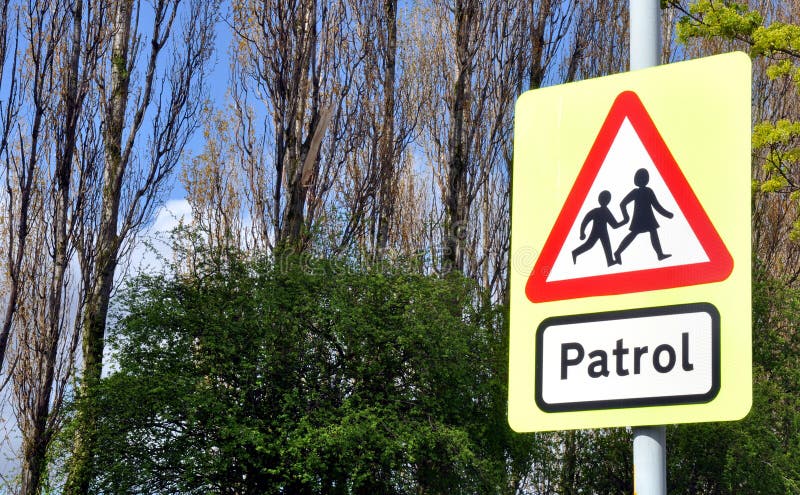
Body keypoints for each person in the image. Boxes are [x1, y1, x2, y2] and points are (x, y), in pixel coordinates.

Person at [614, 168, 673, 264]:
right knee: (637, 234)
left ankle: (659, 254)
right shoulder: (644, 191)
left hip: (646, 218)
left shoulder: (640, 191)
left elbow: (656, 205)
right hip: (642, 218)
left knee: (651, 233)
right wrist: (667, 214)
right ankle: (618, 252)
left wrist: (626, 217)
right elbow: (657, 206)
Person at [572, 190, 626, 266]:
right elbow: (586, 220)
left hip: (603, 232)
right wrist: (582, 232)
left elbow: (614, 225)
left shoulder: (603, 211)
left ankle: (610, 261)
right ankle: (575, 252)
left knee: (606, 245)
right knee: (590, 245)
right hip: (597, 231)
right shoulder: (600, 211)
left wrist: (582, 232)